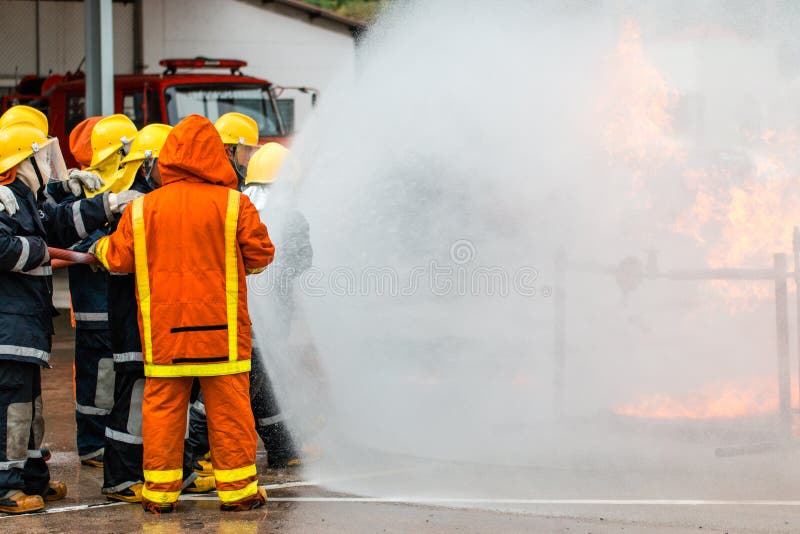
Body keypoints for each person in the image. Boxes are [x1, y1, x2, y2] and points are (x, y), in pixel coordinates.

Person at [93, 114, 274, 514]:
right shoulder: (234, 205)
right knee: (230, 412)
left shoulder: (143, 209)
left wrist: (100, 250)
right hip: (222, 333)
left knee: (162, 411)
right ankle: (239, 492)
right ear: (218, 157)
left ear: (169, 157)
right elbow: (261, 255)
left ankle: (159, 496)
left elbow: (118, 259)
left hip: (165, 336)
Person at [0, 120, 125, 514]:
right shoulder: (5, 199)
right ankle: (5, 487)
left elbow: (58, 227)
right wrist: (48, 252)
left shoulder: (26, 200)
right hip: (9, 326)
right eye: (40, 158)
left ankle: (31, 479)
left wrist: (104, 205)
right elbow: (9, 247)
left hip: (25, 327)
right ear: (22, 164)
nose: (48, 165)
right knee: (13, 409)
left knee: (31, 409)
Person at [100, 123, 215, 502]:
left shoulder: (162, 200)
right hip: (137, 323)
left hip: (166, 326)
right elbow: (108, 253)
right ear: (149, 163)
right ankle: (121, 477)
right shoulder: (130, 203)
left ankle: (176, 470)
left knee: (173, 405)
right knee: (135, 403)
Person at [67, 114, 139, 468]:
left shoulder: (114, 189)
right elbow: (74, 236)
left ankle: (101, 440)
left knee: (109, 379)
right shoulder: (84, 190)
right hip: (95, 307)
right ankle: (93, 442)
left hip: (111, 307)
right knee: (99, 381)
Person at [213, 112, 260, 189]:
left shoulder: (225, 180)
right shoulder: (227, 185)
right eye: (247, 150)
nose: (250, 157)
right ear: (229, 151)